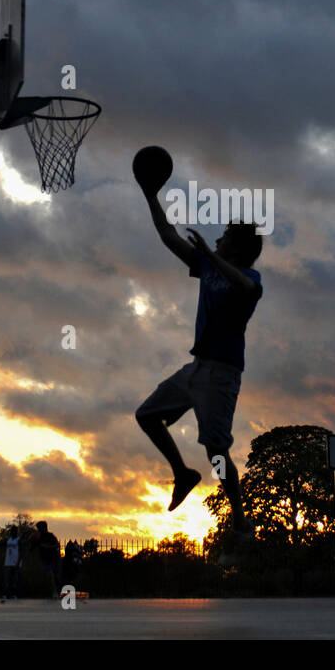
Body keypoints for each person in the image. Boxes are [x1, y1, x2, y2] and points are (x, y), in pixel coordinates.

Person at [134, 197, 264, 534]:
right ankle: (182, 474)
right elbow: (168, 235)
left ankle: (239, 520)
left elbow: (245, 286)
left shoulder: (250, 278)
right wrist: (150, 193)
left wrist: (210, 254)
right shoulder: (207, 265)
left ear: (237, 247)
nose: (218, 239)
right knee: (146, 415)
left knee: (216, 452)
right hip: (196, 368)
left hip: (223, 374)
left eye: (225, 236)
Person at [30, 521, 61, 599]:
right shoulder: (38, 537)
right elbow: (32, 548)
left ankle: (57, 591)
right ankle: (53, 592)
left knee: (56, 576)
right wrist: (31, 541)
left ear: (44, 528)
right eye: (38, 528)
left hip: (54, 558)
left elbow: (57, 545)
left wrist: (48, 547)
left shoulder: (51, 536)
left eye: (39, 528)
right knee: (50, 575)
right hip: (45, 559)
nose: (38, 530)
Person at [0, 525, 22, 603]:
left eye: (14, 531)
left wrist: (18, 562)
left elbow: (21, 552)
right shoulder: (8, 540)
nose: (13, 532)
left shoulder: (19, 540)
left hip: (15, 562)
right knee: (7, 580)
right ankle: (6, 594)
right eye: (12, 531)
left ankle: (14, 594)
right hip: (8, 562)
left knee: (15, 580)